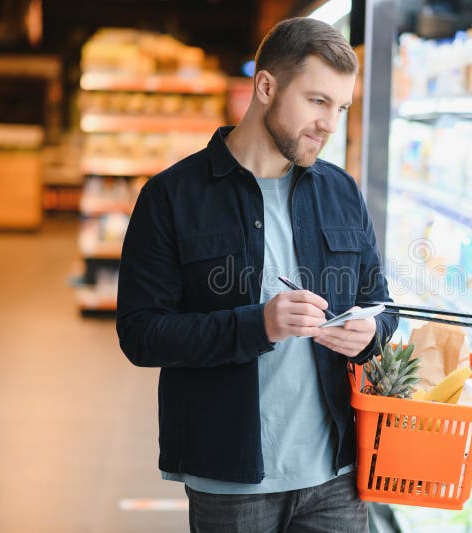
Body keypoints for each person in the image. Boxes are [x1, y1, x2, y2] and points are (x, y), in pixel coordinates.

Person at [116, 16, 397, 533]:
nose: (330, 124)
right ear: (266, 87)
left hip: (335, 474)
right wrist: (257, 325)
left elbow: (381, 303)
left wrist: (370, 332)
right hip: (230, 479)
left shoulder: (342, 191)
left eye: (341, 107)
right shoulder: (171, 198)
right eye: (317, 102)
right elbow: (141, 335)